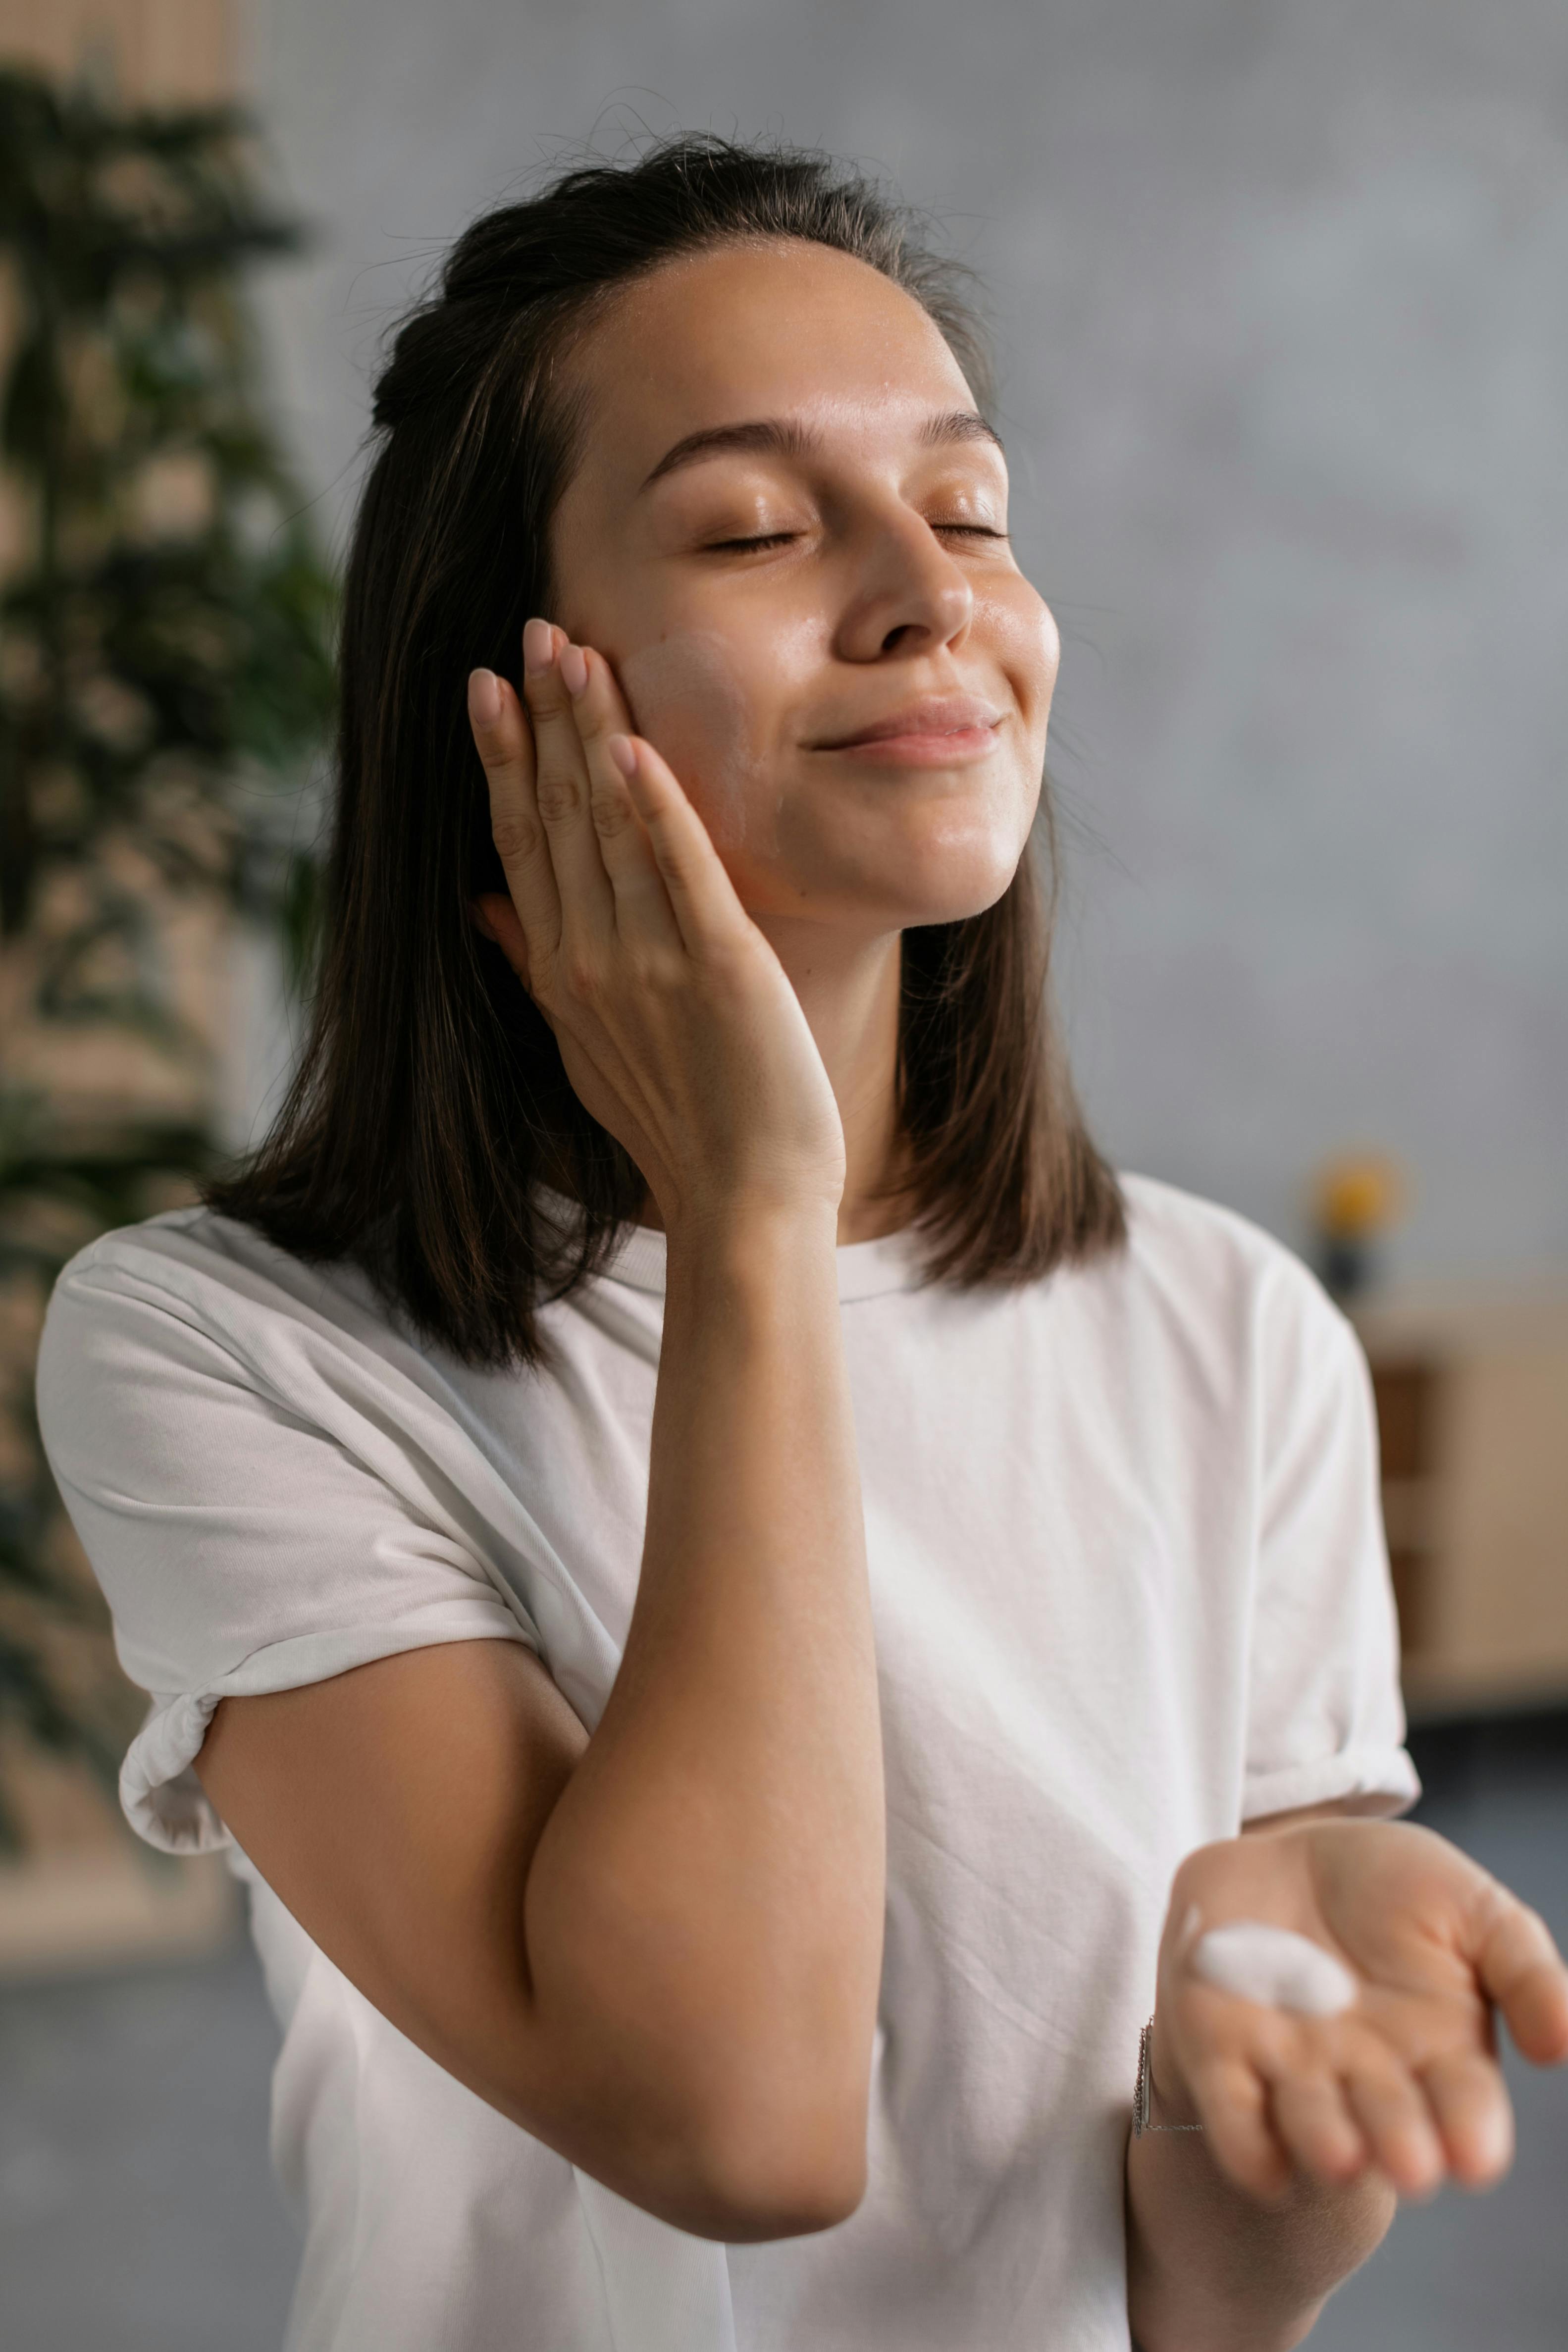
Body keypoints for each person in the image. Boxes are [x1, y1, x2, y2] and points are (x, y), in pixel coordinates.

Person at [36, 136, 1568, 2352]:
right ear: (509, 708)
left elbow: (1189, 2310)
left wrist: (1265, 2134)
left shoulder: (1234, 1336)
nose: (927, 593)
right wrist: (752, 1217)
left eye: (967, 512)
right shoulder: (232, 1353)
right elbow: (736, 2122)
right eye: (756, 526)